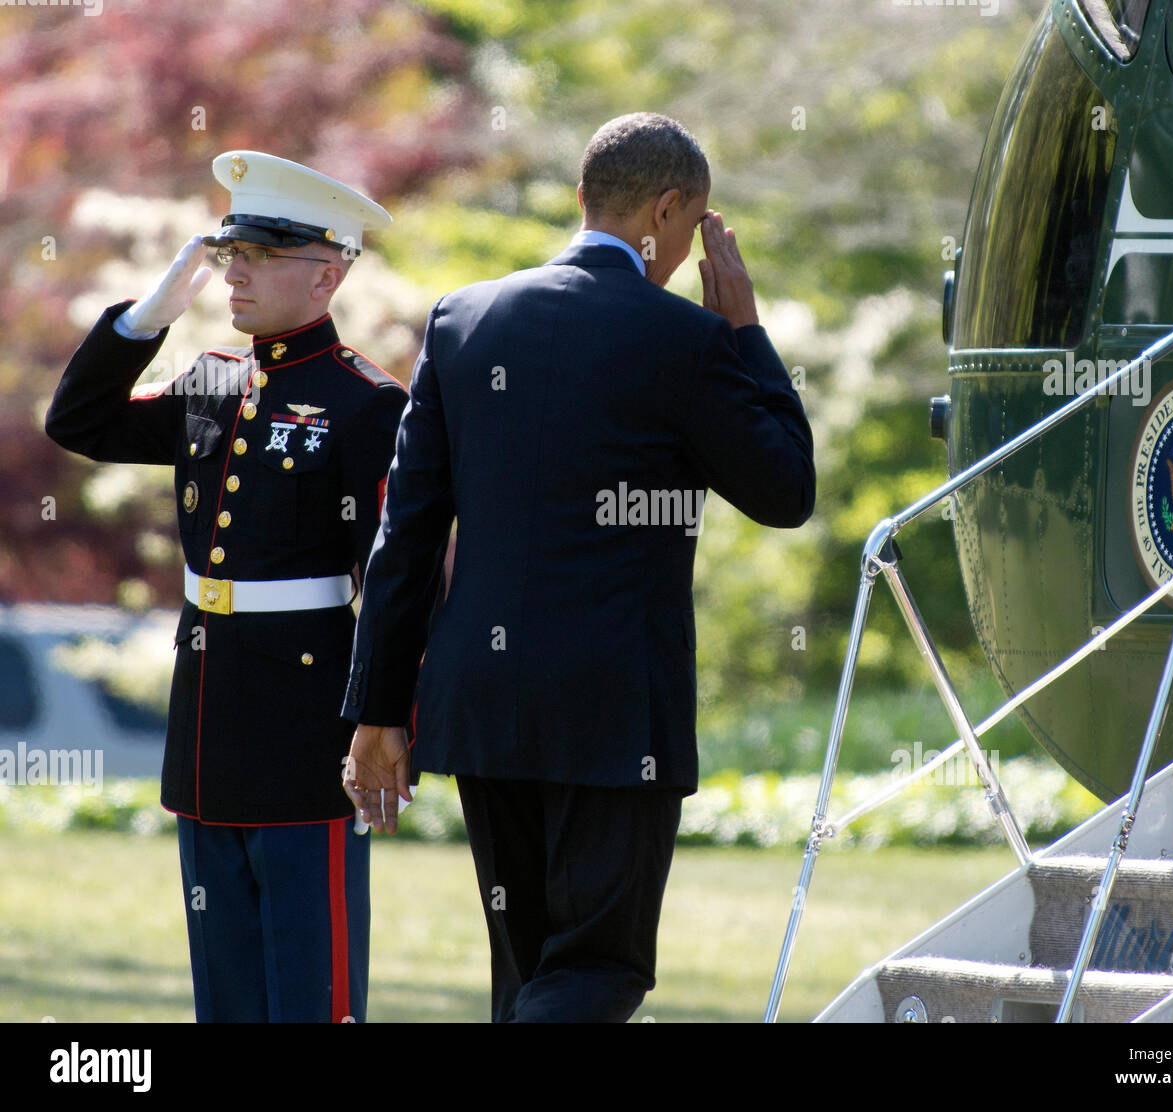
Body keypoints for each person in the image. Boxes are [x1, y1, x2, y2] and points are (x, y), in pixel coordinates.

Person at [343, 112, 815, 1022]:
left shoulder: (462, 318)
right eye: (691, 226)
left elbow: (404, 535)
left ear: (581, 199)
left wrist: (376, 708)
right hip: (612, 713)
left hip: (482, 702)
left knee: (525, 973)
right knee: (597, 971)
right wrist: (748, 332)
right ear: (670, 210)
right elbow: (786, 489)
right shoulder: (687, 339)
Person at [45, 151, 408, 1022]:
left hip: (308, 719)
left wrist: (382, 716)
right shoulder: (211, 378)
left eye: (260, 253)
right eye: (228, 251)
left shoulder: (365, 402)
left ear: (327, 274)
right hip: (208, 711)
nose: (233, 270)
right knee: (226, 990)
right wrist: (150, 314)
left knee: (309, 988)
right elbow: (80, 421)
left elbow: (396, 578)